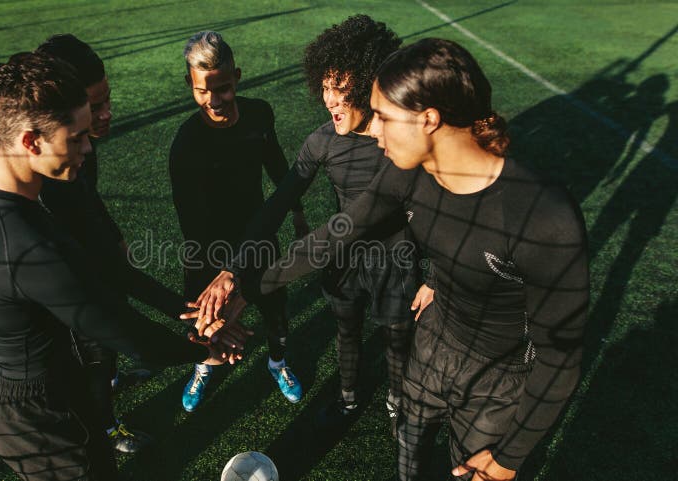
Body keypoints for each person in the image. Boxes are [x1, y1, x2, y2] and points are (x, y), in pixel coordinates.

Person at [189, 38, 589, 481]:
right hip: (431, 349)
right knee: (408, 463)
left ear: (428, 119)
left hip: (497, 381)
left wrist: (508, 460)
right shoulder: (406, 173)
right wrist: (243, 288)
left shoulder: (544, 216)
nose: (374, 130)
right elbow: (333, 236)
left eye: (383, 116)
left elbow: (560, 358)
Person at [0, 51, 234, 481]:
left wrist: (184, 309)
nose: (87, 147)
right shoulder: (27, 244)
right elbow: (128, 335)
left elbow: (102, 269)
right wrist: (205, 350)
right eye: (75, 138)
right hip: (39, 410)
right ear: (31, 142)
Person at [194, 15, 425, 433]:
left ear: (370, 84)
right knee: (347, 330)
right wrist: (233, 269)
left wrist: (249, 290)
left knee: (396, 339)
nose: (329, 100)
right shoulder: (322, 140)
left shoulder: (402, 144)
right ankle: (349, 398)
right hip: (343, 259)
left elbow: (342, 229)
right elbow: (276, 204)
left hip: (394, 258)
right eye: (324, 87)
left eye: (340, 89)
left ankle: (398, 405)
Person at [35, 33, 172, 454]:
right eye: (95, 107)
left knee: (105, 341)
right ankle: (105, 425)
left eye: (106, 99)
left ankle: (108, 382)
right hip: (69, 280)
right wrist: (188, 324)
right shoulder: (50, 177)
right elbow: (105, 267)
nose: (107, 113)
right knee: (94, 346)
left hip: (88, 254)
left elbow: (89, 200)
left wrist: (114, 236)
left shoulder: (78, 147)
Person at [169, 31, 309, 412]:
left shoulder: (259, 114)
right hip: (207, 247)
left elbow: (277, 164)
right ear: (189, 85)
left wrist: (297, 211)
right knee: (205, 322)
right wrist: (224, 281)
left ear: (238, 77)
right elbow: (192, 224)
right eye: (202, 91)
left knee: (276, 312)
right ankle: (204, 366)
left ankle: (277, 363)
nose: (214, 101)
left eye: (223, 89)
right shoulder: (186, 144)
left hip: (259, 234)